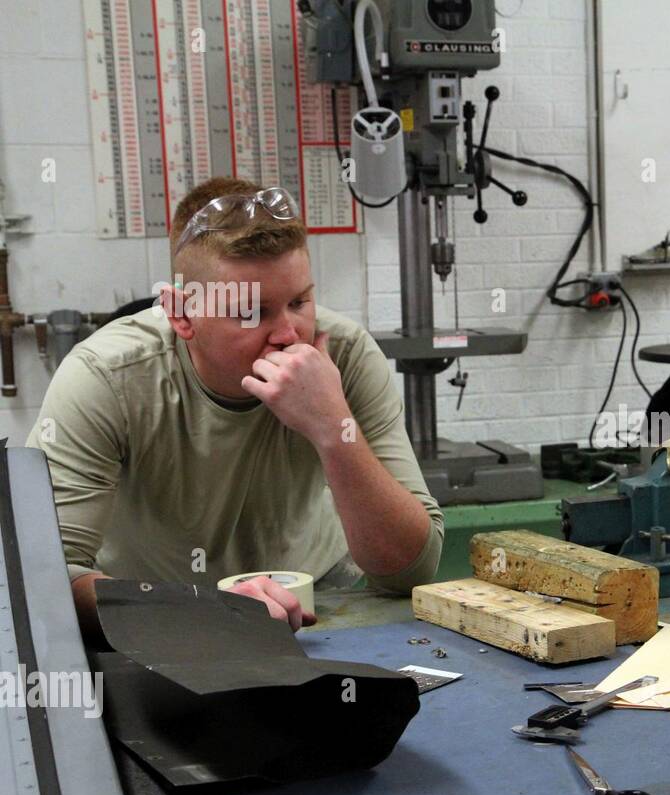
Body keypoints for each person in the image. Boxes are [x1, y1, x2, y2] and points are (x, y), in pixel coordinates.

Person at [28, 176, 443, 636]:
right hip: (163, 618)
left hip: (320, 602)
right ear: (183, 314)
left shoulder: (343, 356)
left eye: (299, 301)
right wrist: (198, 608)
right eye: (252, 312)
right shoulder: (107, 377)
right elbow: (43, 576)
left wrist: (333, 428)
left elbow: (412, 572)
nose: (289, 333)